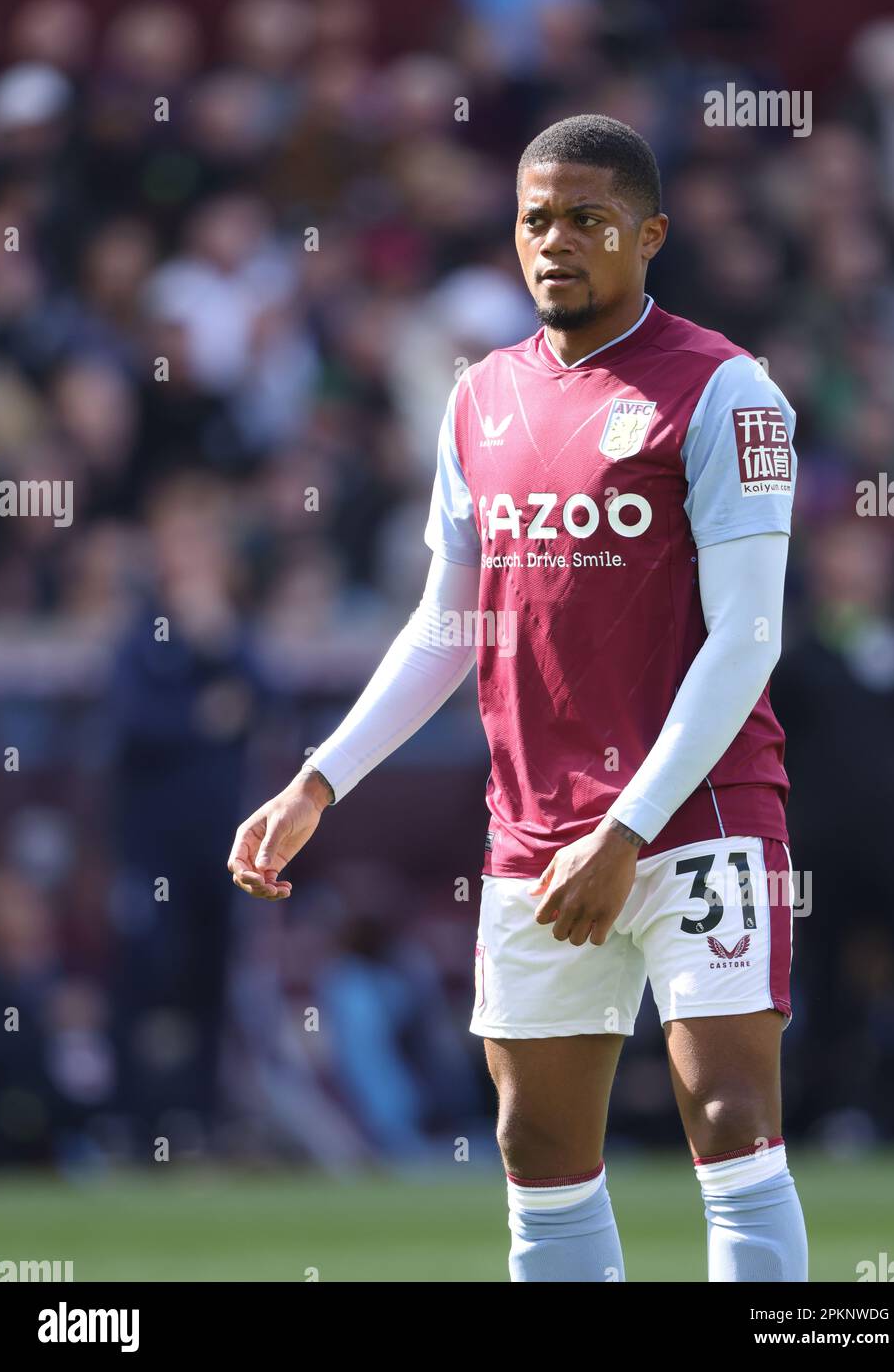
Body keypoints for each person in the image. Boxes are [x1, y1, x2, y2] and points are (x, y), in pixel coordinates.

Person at [227, 114, 807, 1283]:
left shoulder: (729, 392)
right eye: (537, 218)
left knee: (731, 1120)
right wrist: (319, 777)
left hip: (698, 816)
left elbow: (747, 638)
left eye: (588, 219)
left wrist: (628, 827)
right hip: (535, 832)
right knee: (536, 1148)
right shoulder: (478, 398)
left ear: (648, 235)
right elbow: (449, 622)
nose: (557, 242)